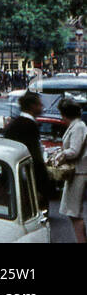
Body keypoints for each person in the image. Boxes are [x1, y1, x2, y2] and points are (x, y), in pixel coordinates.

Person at [2, 92, 52, 208]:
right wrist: (42, 183)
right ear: (32, 106)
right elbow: (34, 156)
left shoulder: (18, 123)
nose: (42, 107)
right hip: (26, 179)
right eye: (39, 105)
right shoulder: (28, 125)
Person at [59, 99, 87, 243]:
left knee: (74, 211)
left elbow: (74, 151)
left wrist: (61, 154)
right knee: (72, 211)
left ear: (66, 114)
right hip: (76, 172)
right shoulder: (76, 125)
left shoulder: (78, 127)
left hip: (79, 172)